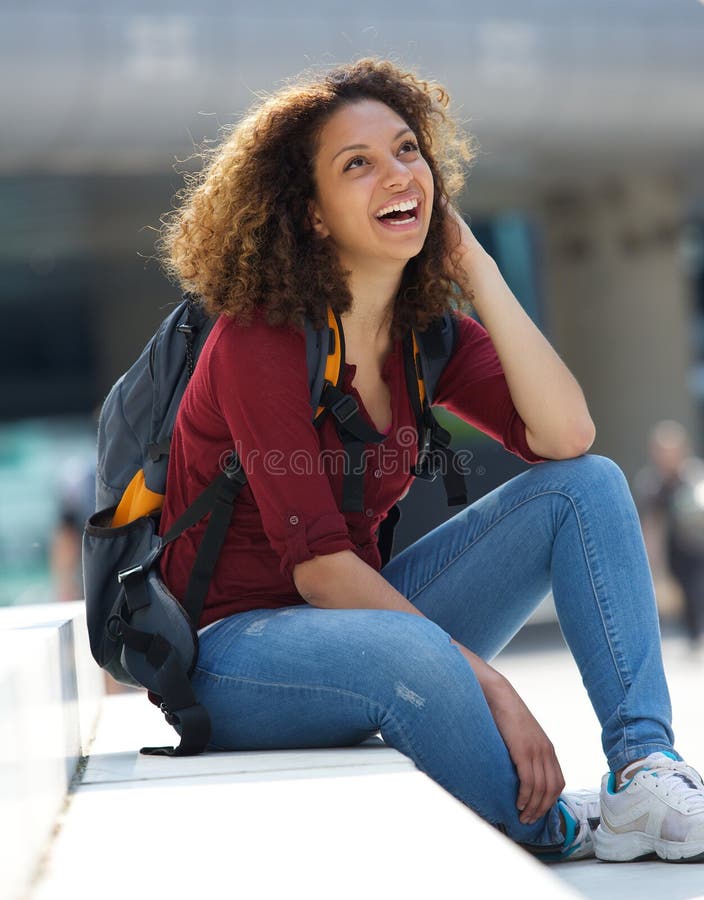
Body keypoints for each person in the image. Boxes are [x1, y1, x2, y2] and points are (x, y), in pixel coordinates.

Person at [155, 58, 704, 862]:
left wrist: (476, 267)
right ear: (310, 214)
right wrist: (493, 683)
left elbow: (568, 438)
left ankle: (645, 769)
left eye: (408, 150)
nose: (397, 173)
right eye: (358, 164)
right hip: (234, 657)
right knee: (413, 650)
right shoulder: (259, 339)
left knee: (586, 488)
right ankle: (549, 825)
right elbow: (319, 571)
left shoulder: (424, 335)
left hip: (365, 628)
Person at [635, 419, 704, 656]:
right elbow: (651, 522)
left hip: (698, 544)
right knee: (684, 591)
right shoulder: (653, 484)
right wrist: (651, 557)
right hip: (673, 548)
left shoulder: (695, 477)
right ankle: (694, 635)